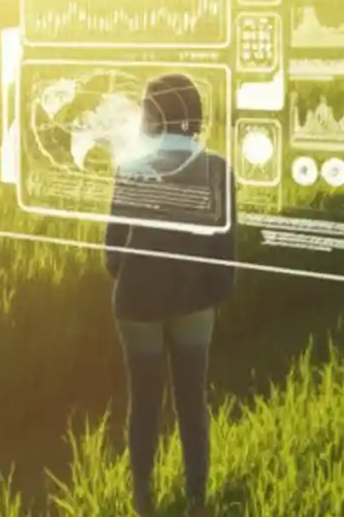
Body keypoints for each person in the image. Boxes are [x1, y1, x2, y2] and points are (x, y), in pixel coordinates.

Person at [104, 73, 235, 517]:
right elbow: (224, 250)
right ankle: (197, 503)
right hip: (195, 299)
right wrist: (209, 293)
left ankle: (144, 501)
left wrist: (135, 271)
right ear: (194, 115)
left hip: (137, 302)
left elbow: (112, 252)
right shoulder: (218, 169)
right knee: (191, 403)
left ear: (151, 115)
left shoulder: (132, 166)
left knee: (144, 402)